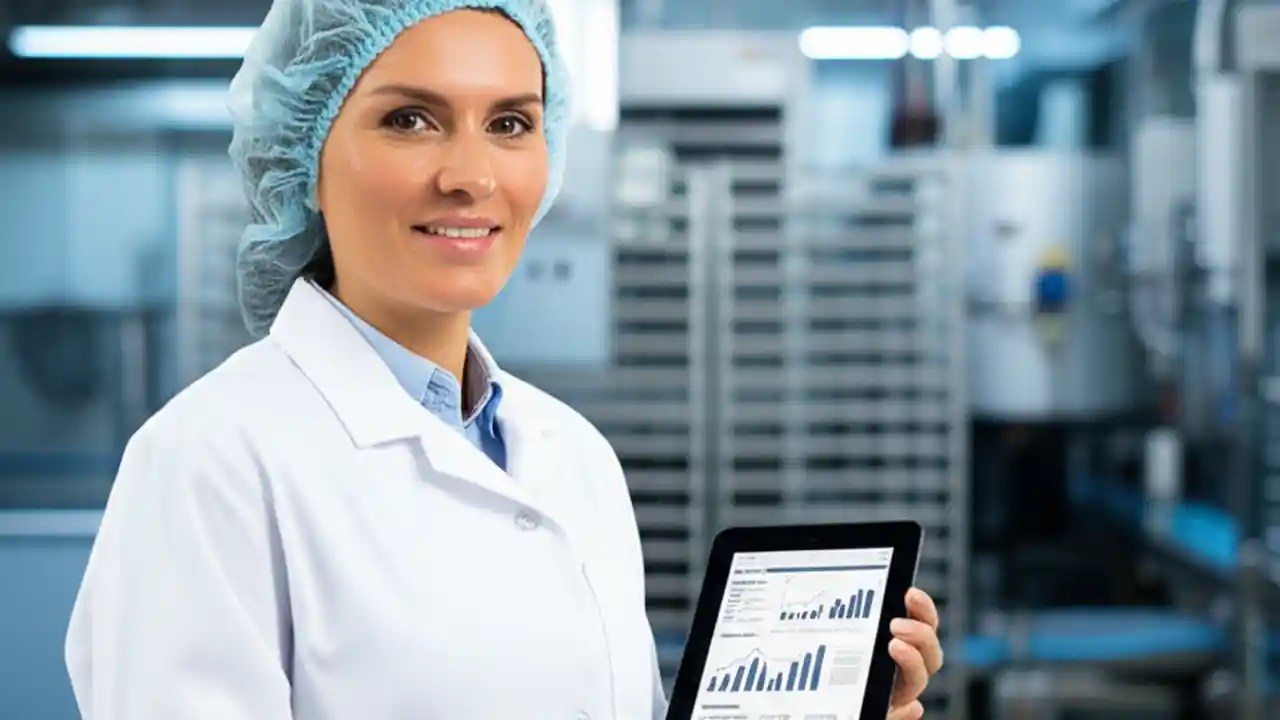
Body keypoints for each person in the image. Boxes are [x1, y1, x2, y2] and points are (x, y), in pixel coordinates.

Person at [63, 1, 944, 718]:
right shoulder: (208, 464)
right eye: (411, 119)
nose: (472, 176)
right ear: (305, 157)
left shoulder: (574, 456)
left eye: (511, 122)